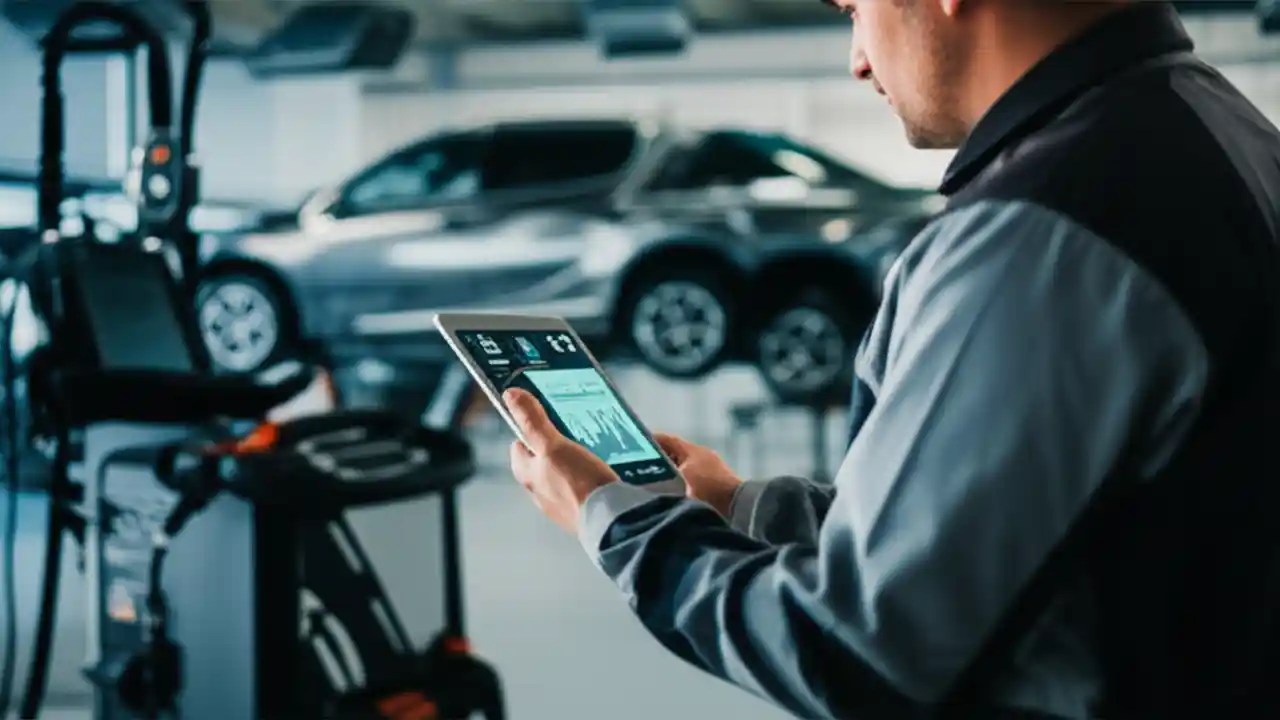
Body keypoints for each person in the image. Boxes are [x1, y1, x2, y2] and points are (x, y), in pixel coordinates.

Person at [505, 0, 1280, 717]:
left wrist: (621, 525)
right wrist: (739, 506)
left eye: (856, 9)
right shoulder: (1213, 129)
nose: (859, 61)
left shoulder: (1045, 228)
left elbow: (860, 651)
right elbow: (1032, 533)